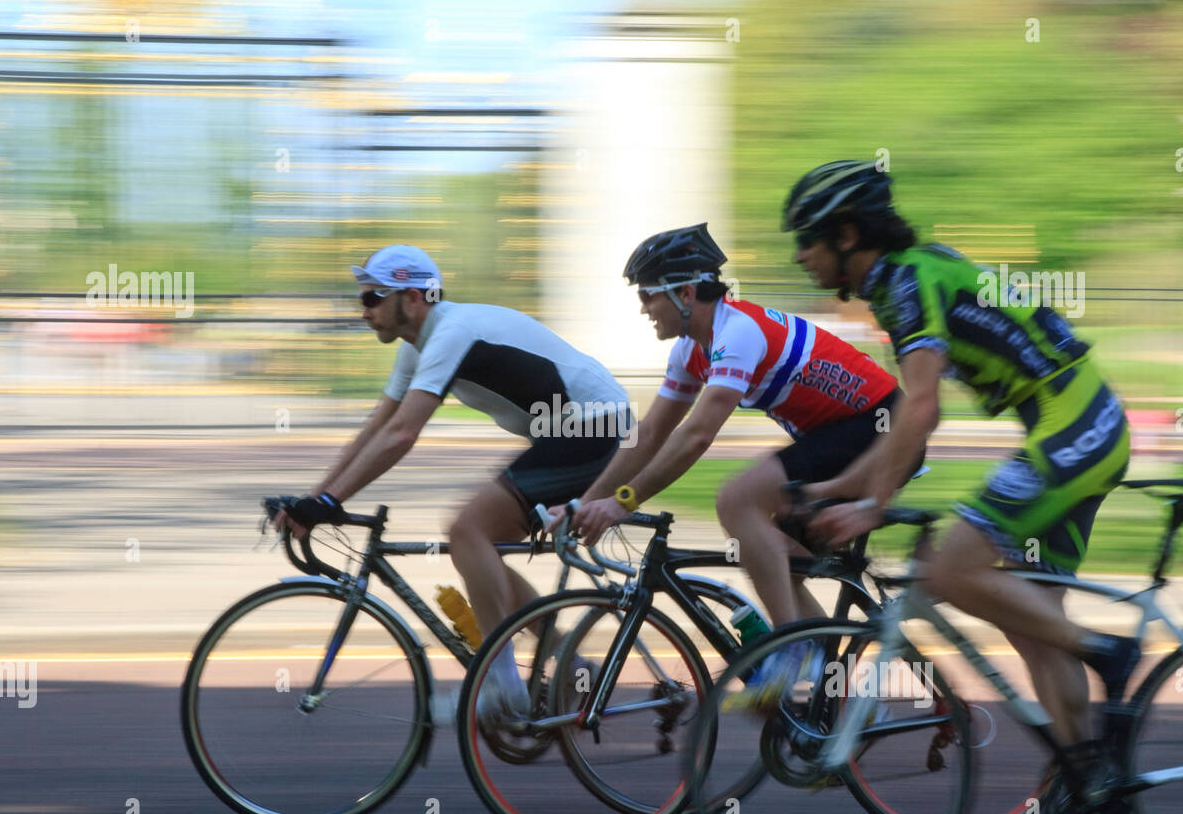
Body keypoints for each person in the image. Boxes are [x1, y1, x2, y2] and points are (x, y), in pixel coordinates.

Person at [787, 160, 1137, 814]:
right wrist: (842, 490)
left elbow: (921, 408)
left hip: (1072, 424)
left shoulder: (906, 283)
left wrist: (868, 505)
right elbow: (904, 422)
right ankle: (1083, 785)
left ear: (849, 234)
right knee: (1033, 622)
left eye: (809, 239)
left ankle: (1113, 654)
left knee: (952, 570)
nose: (800, 255)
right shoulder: (907, 274)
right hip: (1071, 421)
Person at [558, 223, 917, 694]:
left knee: (736, 500)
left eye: (648, 295)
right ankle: (833, 708)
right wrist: (587, 500)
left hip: (881, 430)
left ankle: (790, 653)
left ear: (686, 293)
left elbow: (697, 436)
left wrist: (623, 501)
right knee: (774, 557)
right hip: (839, 437)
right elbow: (650, 434)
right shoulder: (691, 349)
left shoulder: (739, 332)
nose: (643, 308)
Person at [278, 244, 632, 718]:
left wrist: (327, 500)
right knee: (477, 549)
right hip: (567, 431)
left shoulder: (453, 331)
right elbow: (376, 430)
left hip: (595, 425)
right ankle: (569, 664)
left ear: (414, 298)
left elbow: (403, 434)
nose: (364, 311)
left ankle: (501, 685)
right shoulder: (418, 345)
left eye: (372, 298)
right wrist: (315, 498)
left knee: (467, 530)